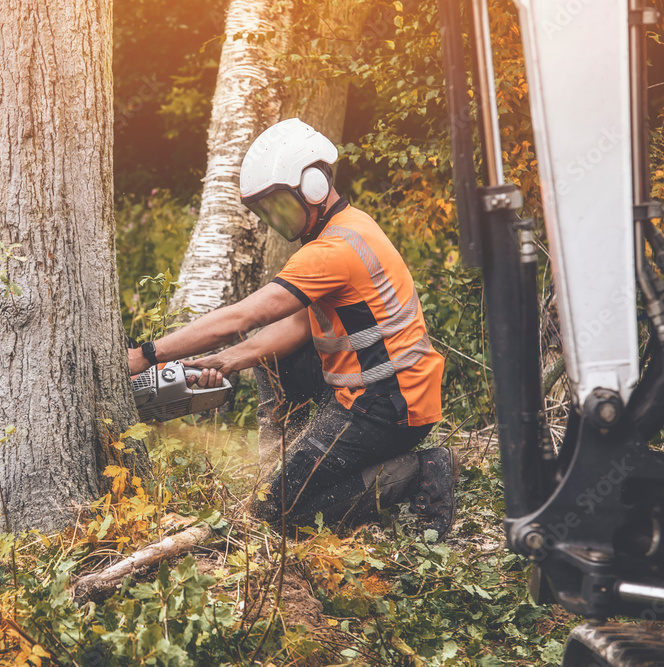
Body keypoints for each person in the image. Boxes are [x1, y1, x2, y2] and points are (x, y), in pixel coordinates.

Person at [127, 118, 459, 538]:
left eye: (280, 205)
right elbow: (297, 328)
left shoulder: (332, 250)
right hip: (383, 391)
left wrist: (147, 354)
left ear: (315, 185)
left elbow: (242, 317)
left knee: (275, 509)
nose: (277, 219)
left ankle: (418, 471)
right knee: (268, 356)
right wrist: (224, 361)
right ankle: (281, 461)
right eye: (267, 211)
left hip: (388, 405)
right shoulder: (348, 226)